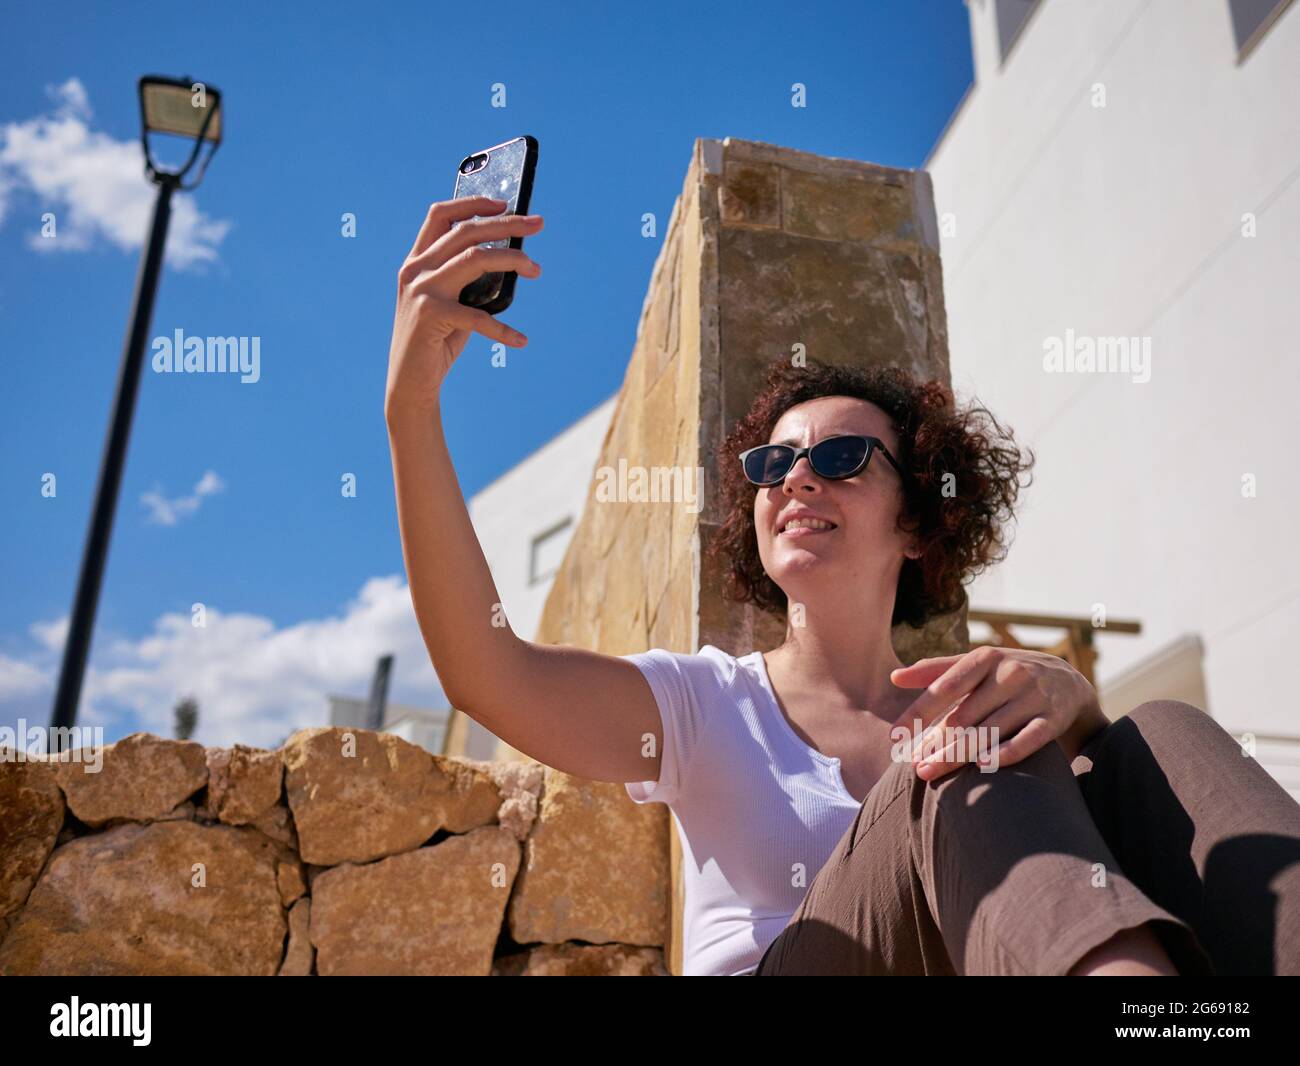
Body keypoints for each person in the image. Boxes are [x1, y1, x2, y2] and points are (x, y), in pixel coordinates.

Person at [384, 197, 1300, 976]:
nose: (795, 477)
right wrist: (411, 408)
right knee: (960, 759)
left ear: (916, 522)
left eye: (842, 457)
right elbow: (486, 671)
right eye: (774, 461)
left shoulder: (971, 703)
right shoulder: (708, 705)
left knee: (1158, 734)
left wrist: (1080, 711)